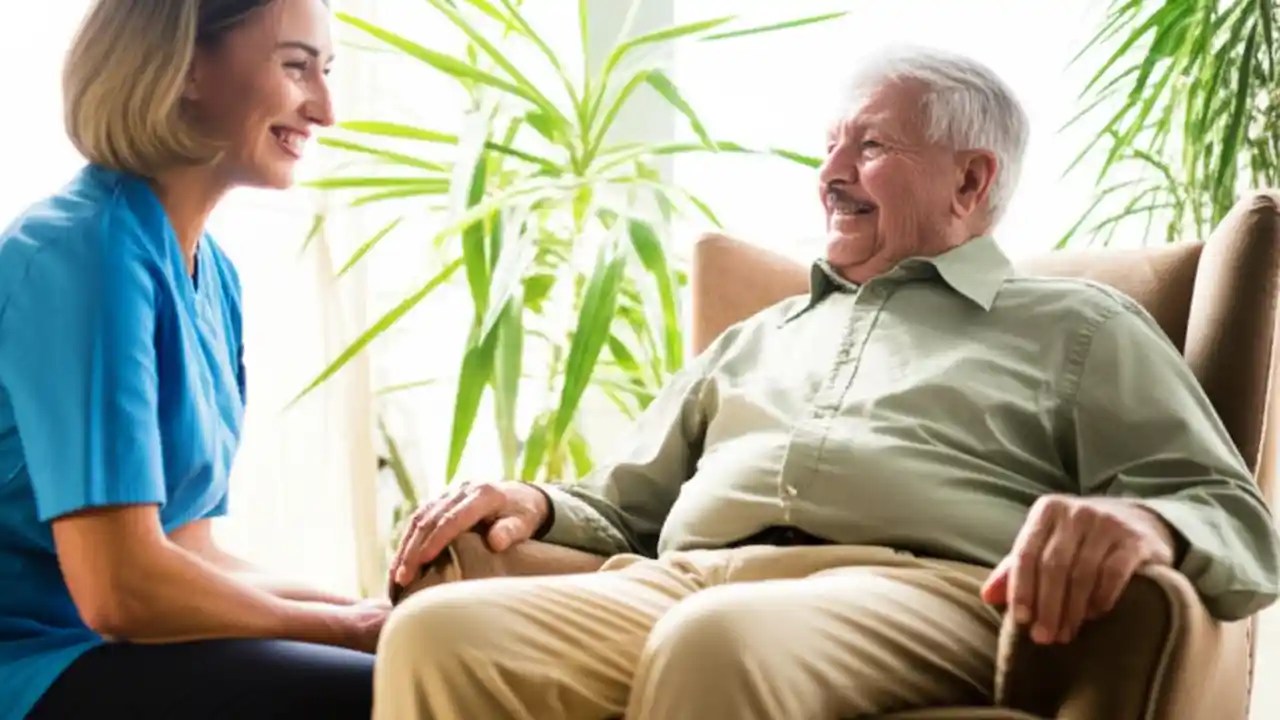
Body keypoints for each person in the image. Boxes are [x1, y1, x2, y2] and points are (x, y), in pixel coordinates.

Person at [375, 47, 1280, 719]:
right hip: (688, 579)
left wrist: (1143, 518)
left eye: (871, 146)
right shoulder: (762, 335)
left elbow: (1237, 519)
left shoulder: (1076, 324)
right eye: (830, 147)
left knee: (717, 643)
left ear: (971, 180)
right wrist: (530, 500)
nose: (830, 174)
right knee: (438, 637)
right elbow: (621, 505)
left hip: (919, 592)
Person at [0, 2, 389, 718]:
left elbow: (189, 551)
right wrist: (349, 630)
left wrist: (376, 612)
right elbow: (122, 589)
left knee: (411, 656)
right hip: (28, 664)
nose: (326, 109)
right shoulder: (80, 256)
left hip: (108, 646)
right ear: (184, 67)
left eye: (326, 71)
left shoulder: (213, 276)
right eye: (296, 66)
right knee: (377, 691)